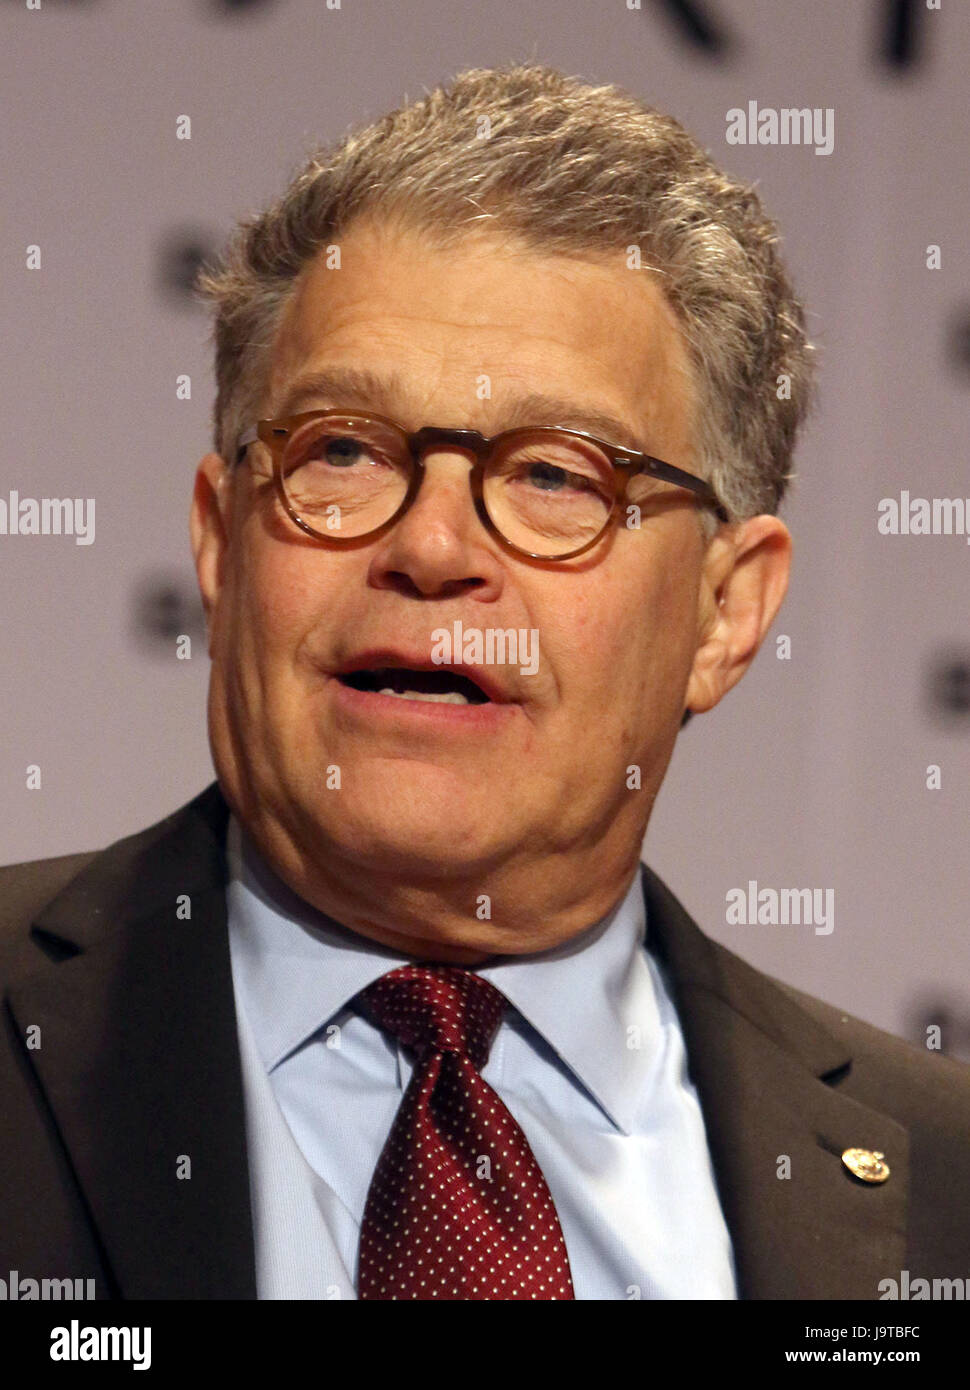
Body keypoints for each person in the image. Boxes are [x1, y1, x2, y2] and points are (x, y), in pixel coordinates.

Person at [2, 63, 968, 1302]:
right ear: (219, 539)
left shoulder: (936, 1190)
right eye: (341, 449)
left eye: (555, 477)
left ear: (725, 612)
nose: (431, 548)